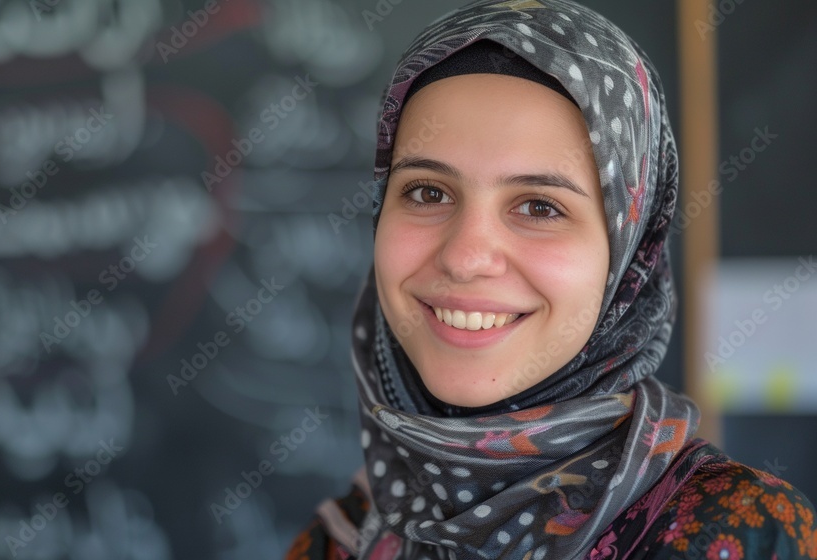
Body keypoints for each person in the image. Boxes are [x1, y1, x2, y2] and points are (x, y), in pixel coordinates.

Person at [287, 1, 817, 559]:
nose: (466, 257)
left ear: (627, 260)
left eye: (539, 207)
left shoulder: (741, 533)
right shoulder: (337, 540)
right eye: (428, 192)